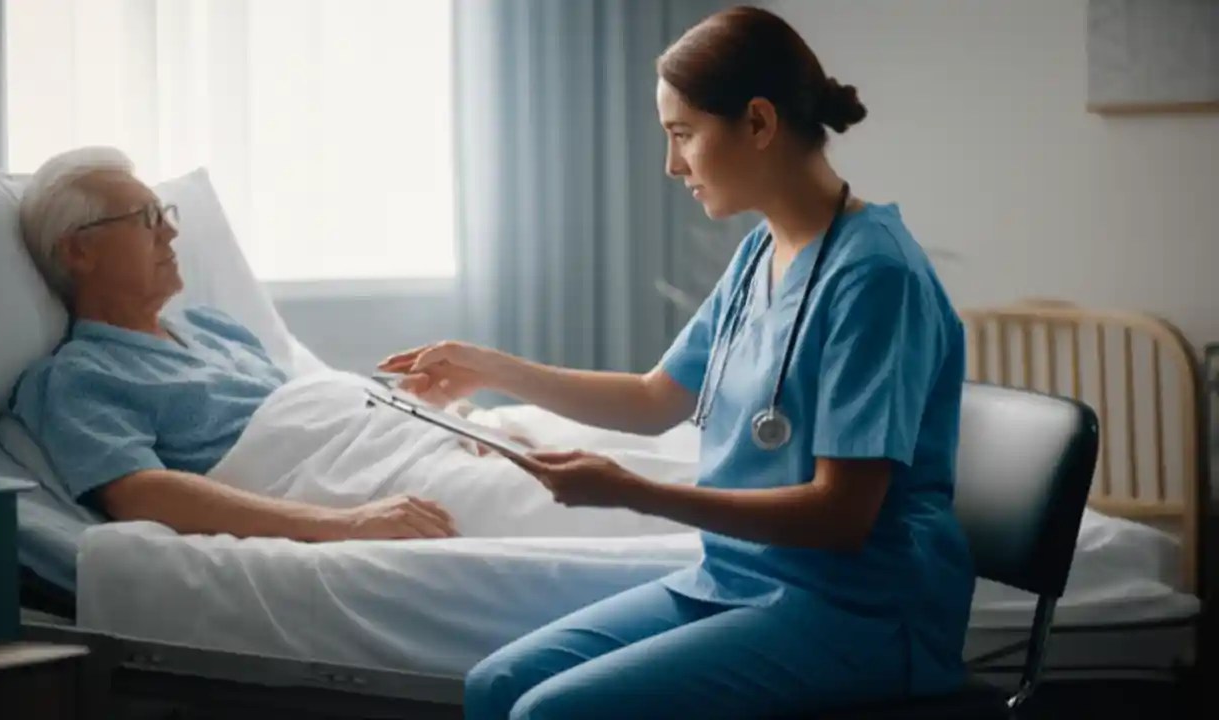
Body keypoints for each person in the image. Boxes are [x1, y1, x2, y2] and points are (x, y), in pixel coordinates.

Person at [379, 6, 975, 718]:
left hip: (860, 610)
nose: (671, 165)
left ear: (757, 123)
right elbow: (656, 397)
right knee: (496, 686)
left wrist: (634, 491)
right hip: (736, 580)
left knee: (550, 713)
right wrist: (488, 368)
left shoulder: (876, 275)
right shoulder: (761, 252)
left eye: (683, 135)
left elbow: (841, 516)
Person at [10, 147, 506, 543]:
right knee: (552, 499)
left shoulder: (213, 327)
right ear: (79, 251)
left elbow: (310, 416)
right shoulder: (79, 376)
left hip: (403, 449)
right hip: (355, 487)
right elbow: (139, 492)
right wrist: (346, 522)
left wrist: (427, 411)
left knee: (560, 462)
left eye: (166, 213)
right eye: (146, 219)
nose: (171, 232)